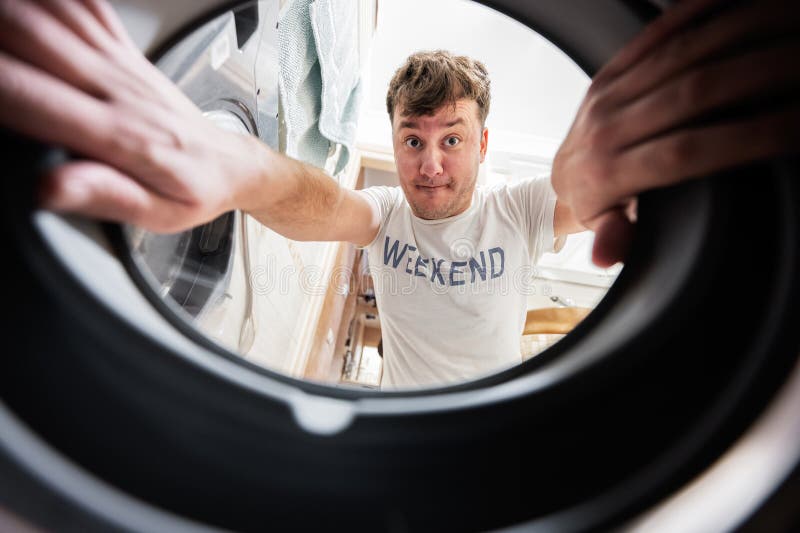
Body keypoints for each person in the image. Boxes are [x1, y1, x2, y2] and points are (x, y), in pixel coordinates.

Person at [0, 0, 797, 386]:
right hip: (397, 404)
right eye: (413, 141)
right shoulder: (383, 217)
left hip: (502, 408)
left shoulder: (515, 209)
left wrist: (598, 166)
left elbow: (570, 188)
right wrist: (239, 164)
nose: (431, 165)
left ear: (482, 143)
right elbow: (318, 202)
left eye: (452, 139)